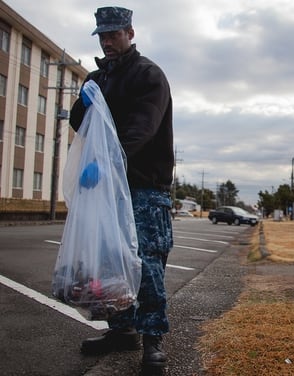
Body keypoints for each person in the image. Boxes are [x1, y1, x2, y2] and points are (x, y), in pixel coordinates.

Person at [69, 6, 174, 371]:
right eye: (101, 35)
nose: (107, 41)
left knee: (146, 265)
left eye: (113, 34)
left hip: (144, 187)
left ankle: (153, 339)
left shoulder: (148, 76)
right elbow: (79, 123)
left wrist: (108, 162)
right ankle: (121, 329)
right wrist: (81, 103)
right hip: (108, 189)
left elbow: (141, 129)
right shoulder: (99, 77)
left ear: (130, 32)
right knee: (110, 266)